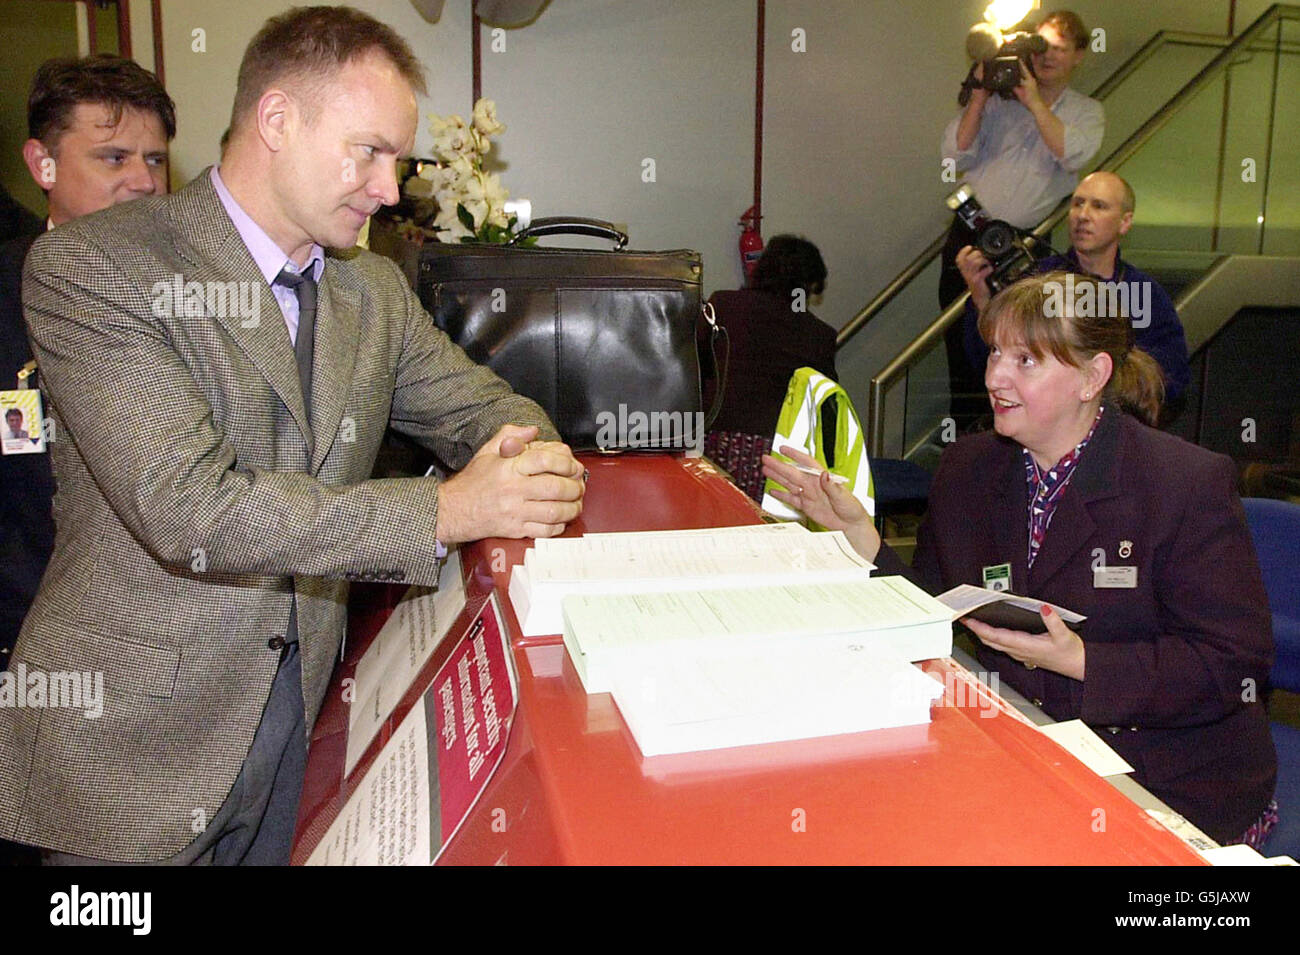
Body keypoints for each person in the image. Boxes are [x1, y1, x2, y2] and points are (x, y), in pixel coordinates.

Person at [3, 6, 584, 865]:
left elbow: (483, 408)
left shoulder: (371, 292)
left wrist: (525, 453)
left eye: (400, 159)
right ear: (277, 120)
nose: (391, 188)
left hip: (292, 739)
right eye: (370, 151)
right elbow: (191, 511)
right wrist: (444, 510)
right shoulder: (96, 267)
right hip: (130, 758)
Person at [764, 272, 1276, 847]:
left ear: (1092, 377)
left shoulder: (1183, 484)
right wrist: (859, 537)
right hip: (1018, 738)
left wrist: (1084, 661)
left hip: (1163, 775)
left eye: (1026, 361)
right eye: (994, 354)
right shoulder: (969, 467)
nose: (995, 378)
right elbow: (939, 613)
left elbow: (1233, 669)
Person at [2, 54, 176, 674]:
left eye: (154, 159)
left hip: (161, 648)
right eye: (113, 157)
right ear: (42, 165)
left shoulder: (198, 298)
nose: (143, 181)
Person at [940, 9, 1105, 420]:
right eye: (1041, 46)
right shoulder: (998, 102)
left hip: (1026, 244)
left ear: (1079, 54)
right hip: (970, 231)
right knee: (958, 339)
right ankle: (964, 433)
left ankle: (1012, 431)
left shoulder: (1086, 112)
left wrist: (1032, 101)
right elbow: (955, 153)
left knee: (1018, 341)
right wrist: (980, 93)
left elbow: (1071, 153)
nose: (1047, 56)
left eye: (1060, 49)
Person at [957, 171, 1190, 405]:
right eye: (1077, 204)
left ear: (1125, 222)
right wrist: (982, 300)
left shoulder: (1143, 293)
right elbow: (983, 363)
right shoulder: (1036, 281)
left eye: (1099, 206)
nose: (1083, 215)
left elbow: (1170, 379)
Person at [702, 235, 837, 500]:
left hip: (707, 440)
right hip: (772, 455)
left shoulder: (722, 305)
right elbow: (826, 407)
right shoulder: (818, 335)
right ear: (807, 285)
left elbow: (693, 365)